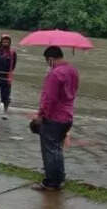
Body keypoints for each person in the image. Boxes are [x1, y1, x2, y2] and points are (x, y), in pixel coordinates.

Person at [31, 46, 79, 191]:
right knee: (57, 149)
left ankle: (51, 182)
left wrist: (41, 115)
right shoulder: (73, 70)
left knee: (50, 150)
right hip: (67, 116)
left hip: (54, 117)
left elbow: (49, 99)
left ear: (51, 59)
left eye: (47, 61)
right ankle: (59, 178)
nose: (47, 64)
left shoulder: (55, 74)